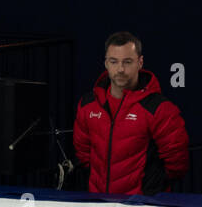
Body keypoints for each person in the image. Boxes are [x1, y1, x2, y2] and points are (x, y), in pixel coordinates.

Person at [73, 31, 189, 195]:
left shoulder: (159, 108)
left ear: (140, 62)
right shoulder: (88, 104)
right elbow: (84, 155)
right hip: (98, 203)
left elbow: (177, 164)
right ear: (106, 63)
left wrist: (150, 190)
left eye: (127, 62)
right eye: (114, 62)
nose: (120, 69)